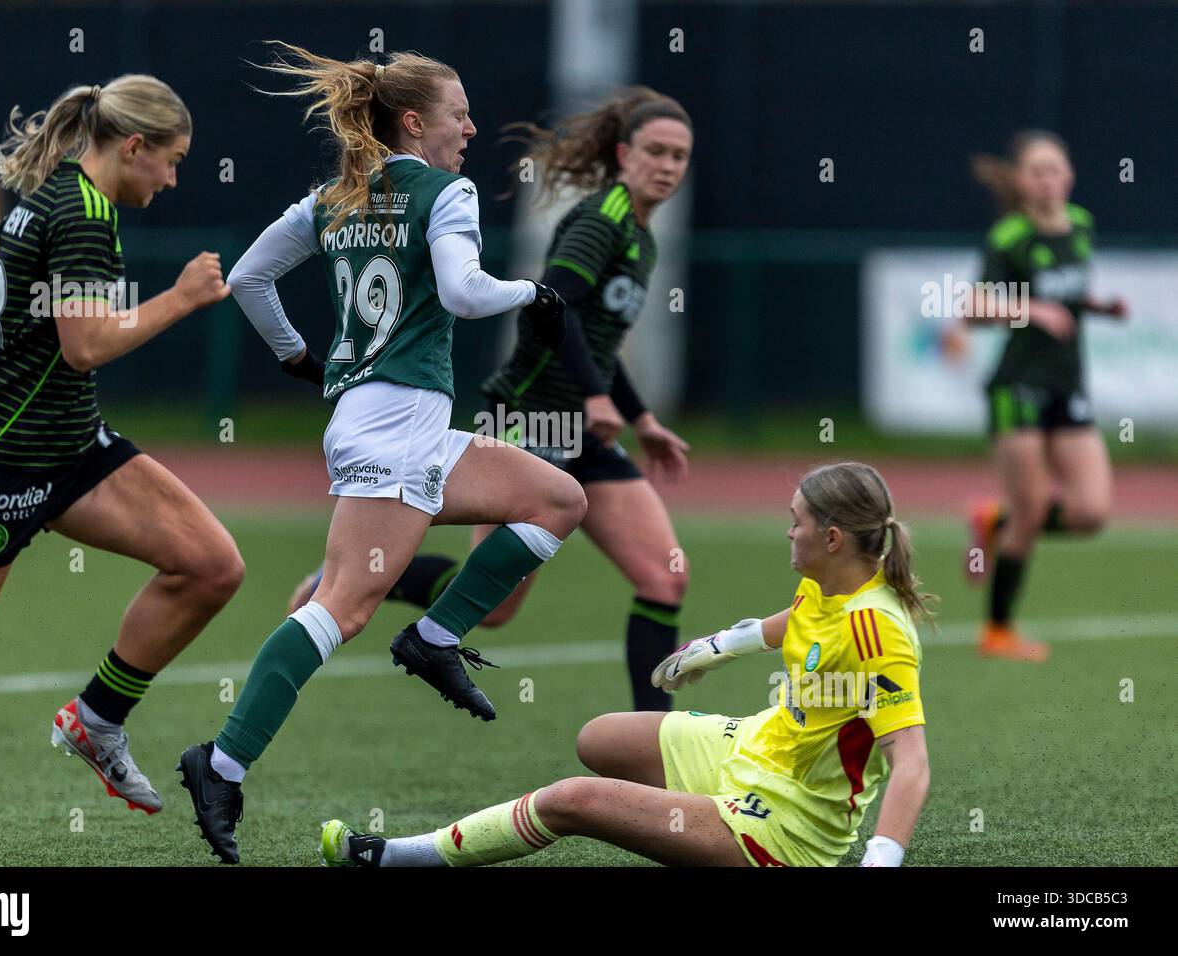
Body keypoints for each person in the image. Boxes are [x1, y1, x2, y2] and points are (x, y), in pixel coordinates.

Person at [177, 44, 587, 864]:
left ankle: (436, 637)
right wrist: (535, 294)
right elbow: (469, 294)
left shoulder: (333, 198)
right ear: (413, 122)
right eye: (458, 113)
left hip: (399, 420)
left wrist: (301, 354)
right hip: (394, 423)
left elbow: (252, 278)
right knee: (343, 607)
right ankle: (219, 764)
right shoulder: (447, 191)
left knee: (557, 500)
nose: (470, 127)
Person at [0, 76, 241, 814]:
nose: (172, 179)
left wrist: (19, 335)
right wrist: (181, 297)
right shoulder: (79, 211)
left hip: (69, 446)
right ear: (134, 146)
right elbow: (85, 347)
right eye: (170, 160)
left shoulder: (57, 190)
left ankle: (97, 720)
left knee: (210, 565)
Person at [288, 87, 695, 712]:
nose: (668, 166)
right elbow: (551, 311)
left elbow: (598, 339)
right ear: (623, 154)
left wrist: (638, 416)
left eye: (680, 156)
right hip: (531, 419)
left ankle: (655, 744)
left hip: (589, 430)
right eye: (656, 152)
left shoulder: (642, 236)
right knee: (498, 608)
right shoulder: (600, 221)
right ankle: (353, 579)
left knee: (665, 578)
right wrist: (594, 396)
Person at [321, 461, 932, 868]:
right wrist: (711, 650)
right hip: (753, 746)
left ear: (831, 538)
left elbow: (910, 763)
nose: (786, 532)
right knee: (601, 739)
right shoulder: (833, 581)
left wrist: (882, 857)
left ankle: (403, 856)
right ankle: (694, 828)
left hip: (787, 825)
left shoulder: (876, 628)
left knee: (573, 800)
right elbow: (789, 624)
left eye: (795, 522)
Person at [963, 131, 1125, 662]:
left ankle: (996, 520)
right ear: (1020, 181)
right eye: (1036, 171)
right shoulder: (1010, 236)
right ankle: (998, 631)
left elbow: (1067, 297)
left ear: (1070, 175)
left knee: (1092, 512)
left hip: (1068, 385)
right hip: (1017, 387)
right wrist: (1032, 311)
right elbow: (972, 308)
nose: (1048, 179)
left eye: (1056, 169)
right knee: (1032, 508)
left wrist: (1098, 308)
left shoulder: (1081, 225)